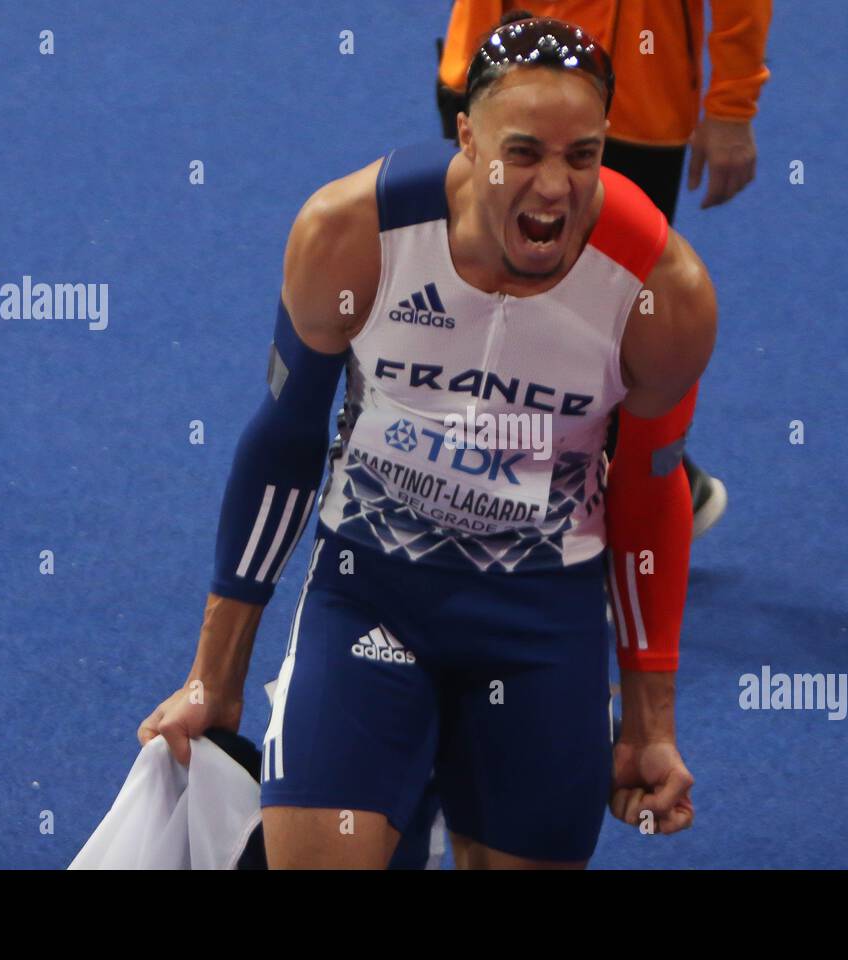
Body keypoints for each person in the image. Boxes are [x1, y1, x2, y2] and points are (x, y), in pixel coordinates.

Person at [139, 15, 716, 866]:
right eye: (523, 154)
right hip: (368, 597)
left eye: (583, 156)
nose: (555, 188)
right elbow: (286, 443)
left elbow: (648, 489)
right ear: (467, 136)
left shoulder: (662, 295)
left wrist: (650, 722)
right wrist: (215, 676)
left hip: (540, 622)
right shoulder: (351, 236)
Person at [437, 0, 773, 538]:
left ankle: (643, 507)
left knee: (600, 328)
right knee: (496, 293)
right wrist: (472, 62)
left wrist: (733, 104)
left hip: (635, 101)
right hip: (501, 70)